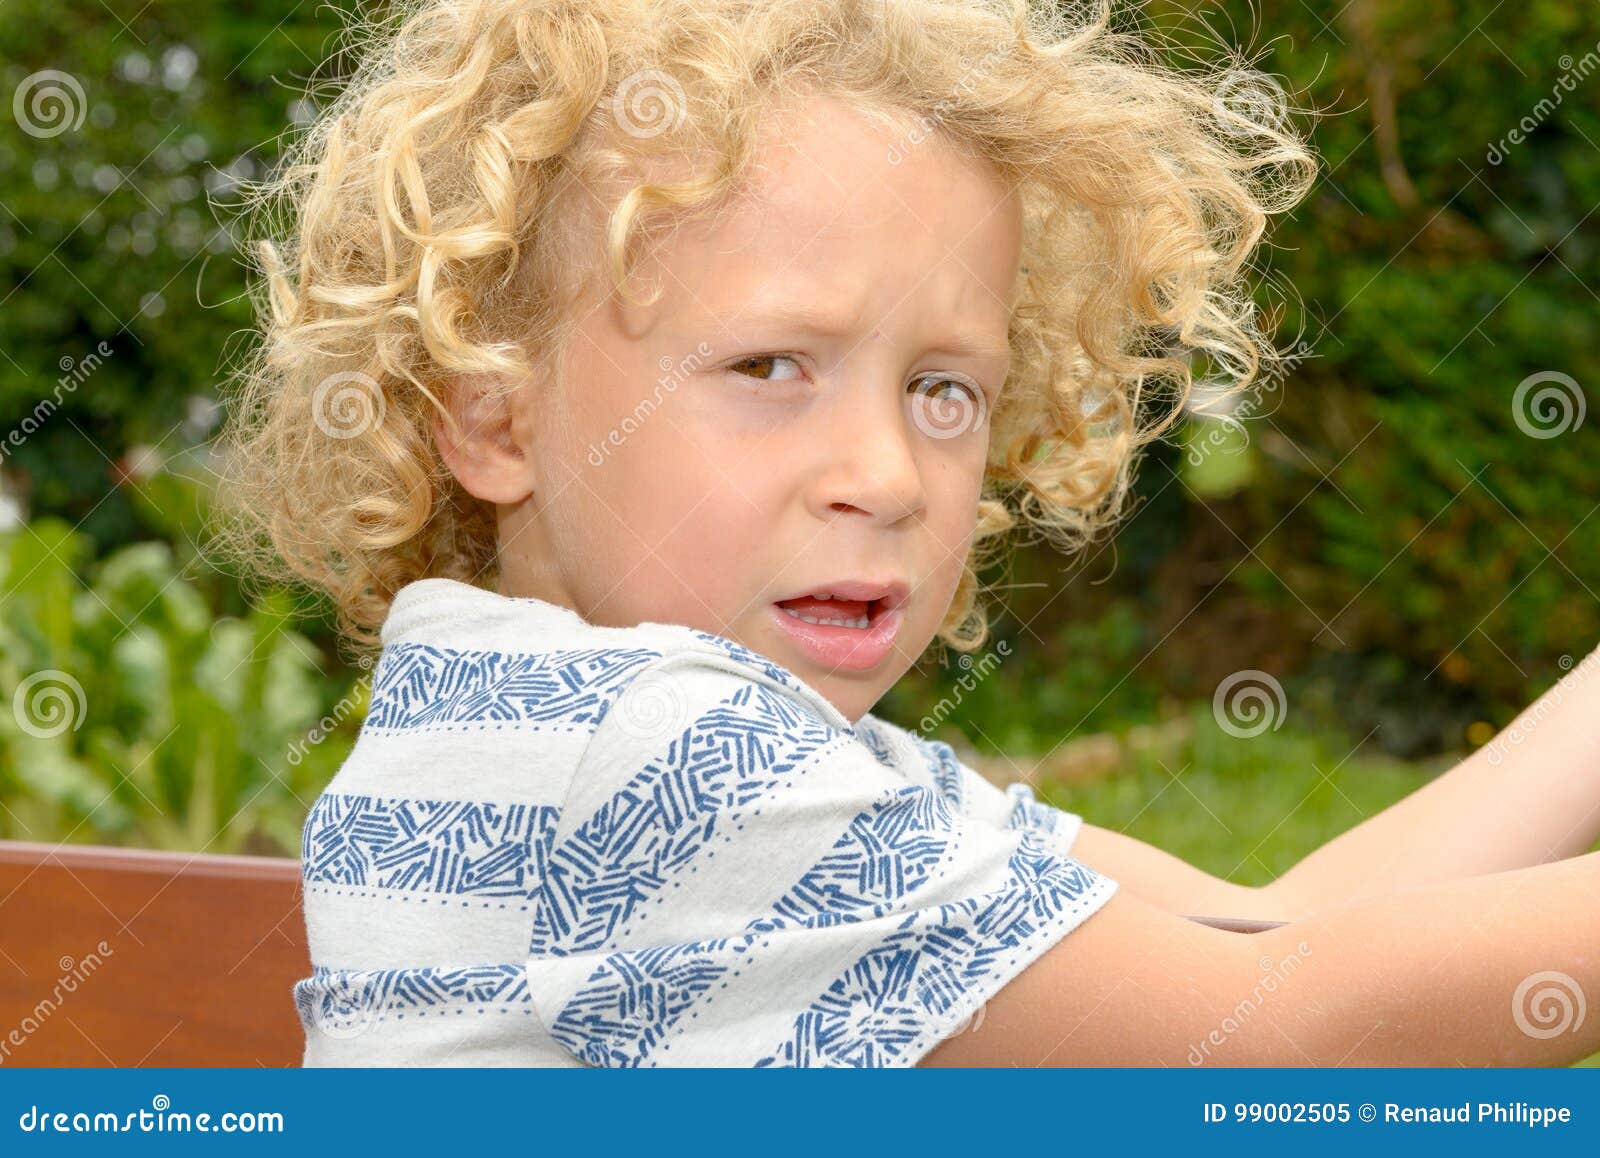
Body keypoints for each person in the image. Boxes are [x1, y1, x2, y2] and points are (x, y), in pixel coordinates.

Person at [214, 0, 1600, 1066]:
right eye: (770, 368)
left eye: (945, 390)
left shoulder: (565, 706)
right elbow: (1267, 1033)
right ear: (498, 424)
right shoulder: (643, 761)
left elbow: (1262, 923)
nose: (885, 473)